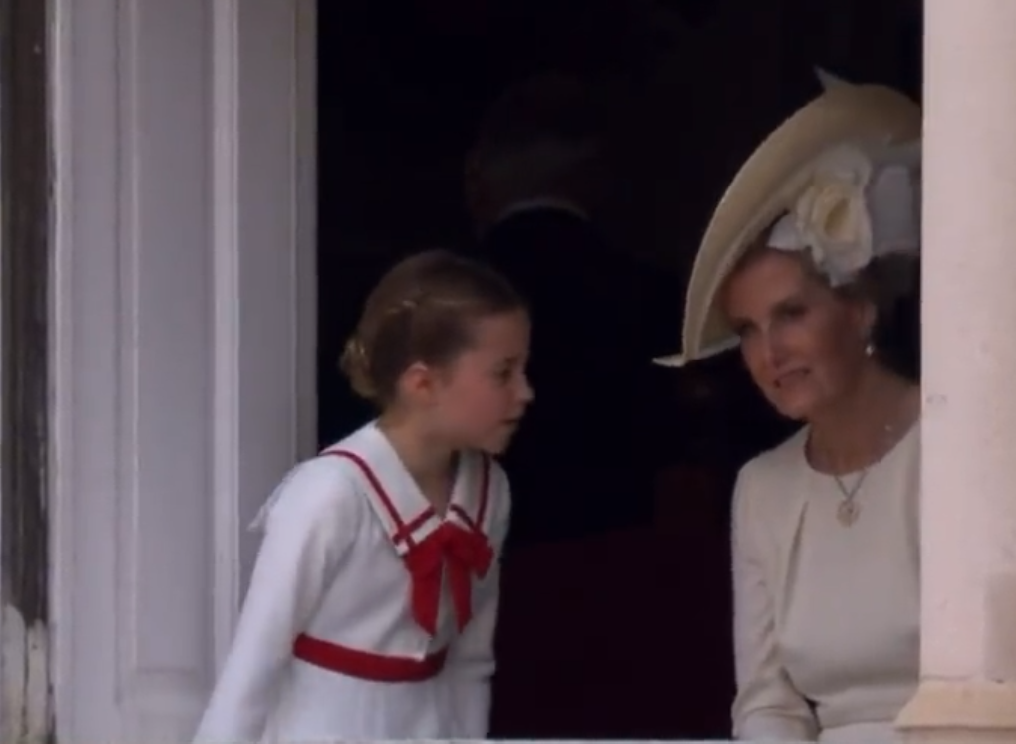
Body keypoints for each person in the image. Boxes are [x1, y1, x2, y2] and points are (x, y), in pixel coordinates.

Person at [656, 74, 923, 743]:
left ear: (860, 311)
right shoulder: (763, 487)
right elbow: (768, 702)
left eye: (791, 315)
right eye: (747, 330)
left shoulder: (955, 445)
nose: (768, 352)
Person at [192, 249, 533, 742]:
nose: (526, 392)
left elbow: (471, 661)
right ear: (423, 384)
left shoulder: (489, 492)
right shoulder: (329, 495)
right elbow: (253, 666)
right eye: (503, 373)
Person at [463, 72, 680, 546]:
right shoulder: (654, 296)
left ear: (478, 172)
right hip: (628, 576)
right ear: (596, 177)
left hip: (477, 581)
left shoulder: (445, 298)